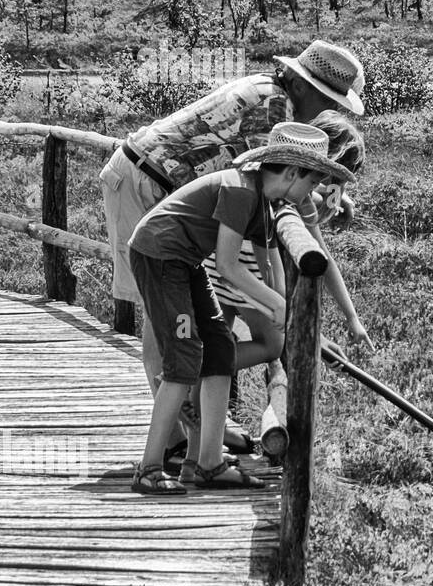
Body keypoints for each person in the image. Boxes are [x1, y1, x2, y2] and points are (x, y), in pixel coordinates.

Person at [99, 40, 366, 454]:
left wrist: (327, 195)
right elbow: (274, 177)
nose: (326, 112)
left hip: (161, 185)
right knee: (165, 315)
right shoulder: (275, 106)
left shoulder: (273, 94)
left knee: (183, 316)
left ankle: (200, 429)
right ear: (303, 86)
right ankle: (174, 439)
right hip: (146, 182)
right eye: (327, 100)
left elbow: (281, 182)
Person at [127, 122, 354, 494]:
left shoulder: (262, 203)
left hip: (187, 261)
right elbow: (230, 267)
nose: (312, 193)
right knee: (184, 360)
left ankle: (208, 465)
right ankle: (149, 469)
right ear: (293, 173)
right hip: (162, 257)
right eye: (311, 184)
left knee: (219, 347)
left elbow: (268, 270)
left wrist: (305, 328)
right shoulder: (239, 191)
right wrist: (287, 313)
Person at [181, 111, 372, 479]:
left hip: (227, 264)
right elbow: (282, 261)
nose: (331, 188)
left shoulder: (289, 189)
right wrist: (300, 321)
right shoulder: (292, 197)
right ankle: (196, 387)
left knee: (221, 341)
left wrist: (350, 317)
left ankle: (196, 439)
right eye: (328, 178)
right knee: (271, 344)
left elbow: (313, 257)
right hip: (242, 268)